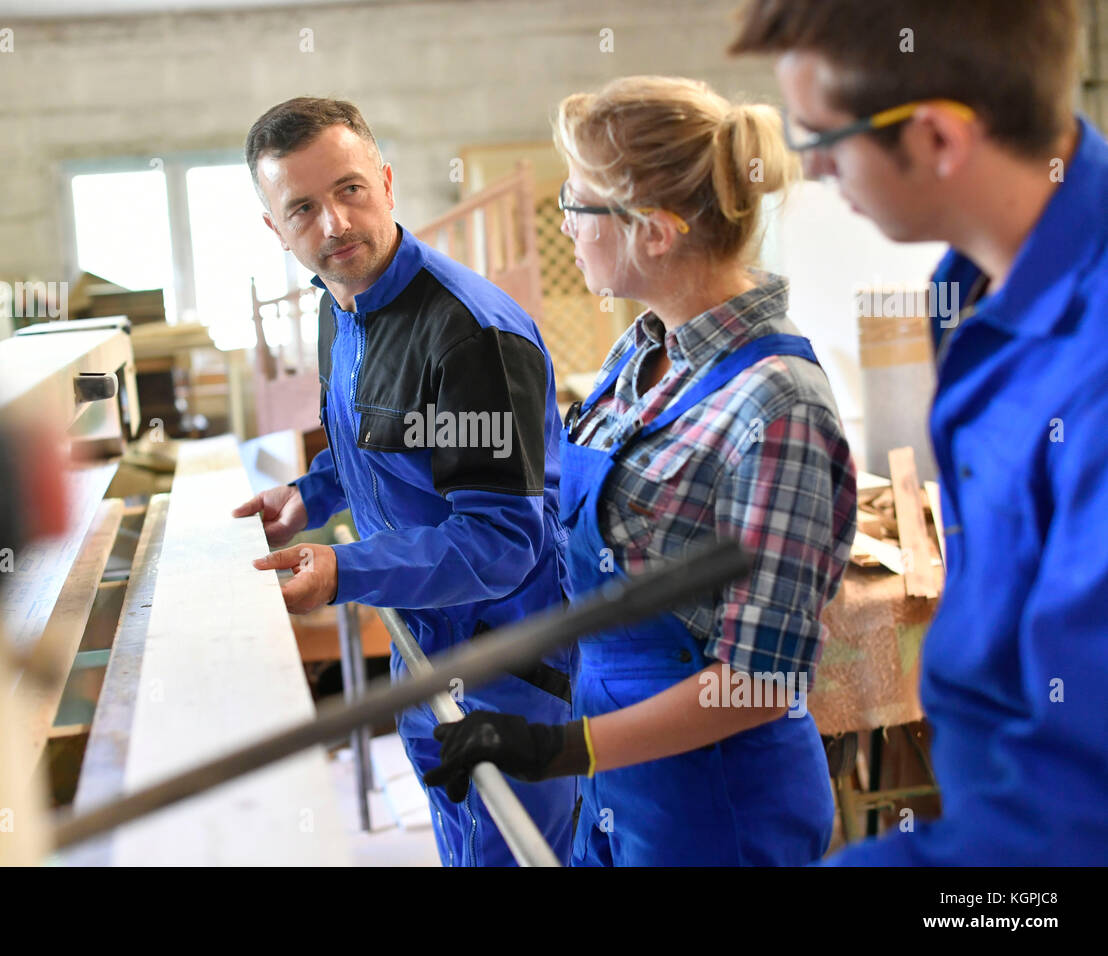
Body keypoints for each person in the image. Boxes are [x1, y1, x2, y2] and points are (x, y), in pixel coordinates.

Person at [423, 76, 857, 866]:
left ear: (653, 231)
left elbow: (757, 684)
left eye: (577, 203)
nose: (565, 223)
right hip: (620, 773)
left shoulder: (777, 405)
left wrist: (559, 749)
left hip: (716, 808)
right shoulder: (646, 349)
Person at [726, 0, 1108, 866]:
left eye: (821, 134)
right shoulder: (971, 288)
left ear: (936, 137)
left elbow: (1076, 818)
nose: (813, 169)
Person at [232, 97, 575, 866]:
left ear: (386, 183)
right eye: (303, 208)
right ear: (276, 230)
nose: (334, 226)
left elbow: (501, 541)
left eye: (350, 190)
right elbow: (381, 445)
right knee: (459, 844)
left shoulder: (470, 333)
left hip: (510, 665)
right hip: (423, 641)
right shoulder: (339, 307)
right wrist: (312, 494)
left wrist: (344, 570)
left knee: (509, 852)